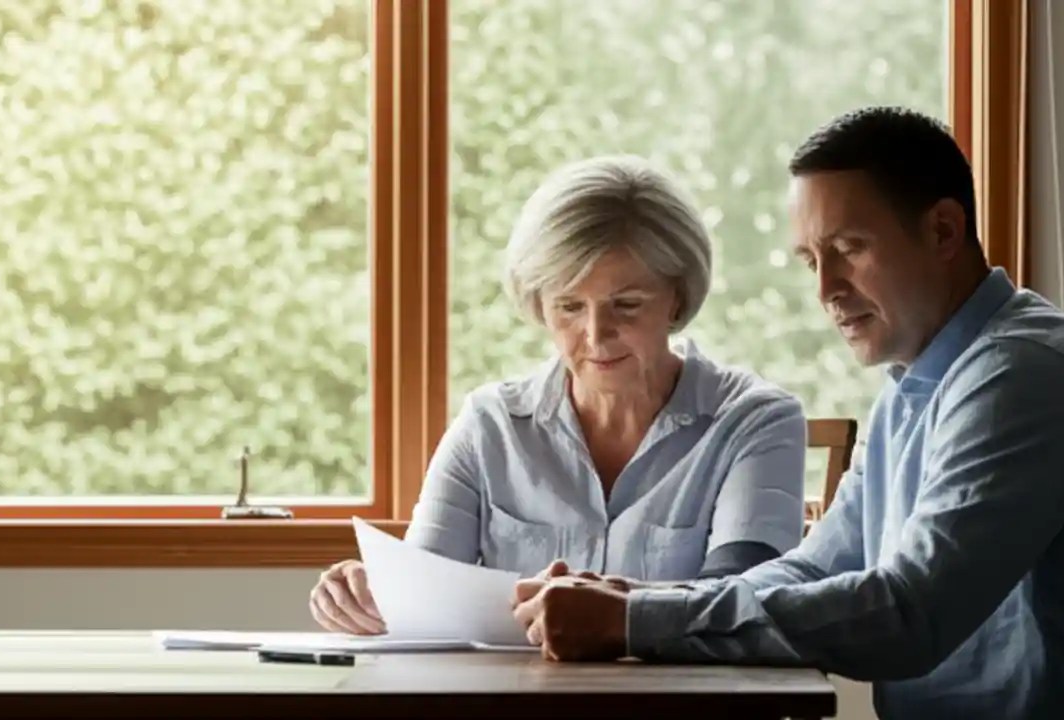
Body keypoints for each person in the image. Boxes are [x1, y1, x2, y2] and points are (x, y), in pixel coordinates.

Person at [512, 107, 1064, 719]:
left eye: (849, 249)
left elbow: (909, 613)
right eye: (811, 261)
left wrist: (633, 624)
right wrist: (636, 603)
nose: (826, 290)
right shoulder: (917, 385)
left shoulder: (1020, 377)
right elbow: (815, 568)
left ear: (943, 230)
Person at [309, 154, 808, 637]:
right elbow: (425, 594)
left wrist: (610, 612)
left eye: (626, 305)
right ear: (539, 305)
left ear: (676, 297)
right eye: (569, 307)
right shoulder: (490, 426)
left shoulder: (755, 420)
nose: (596, 334)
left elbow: (744, 602)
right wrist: (371, 594)